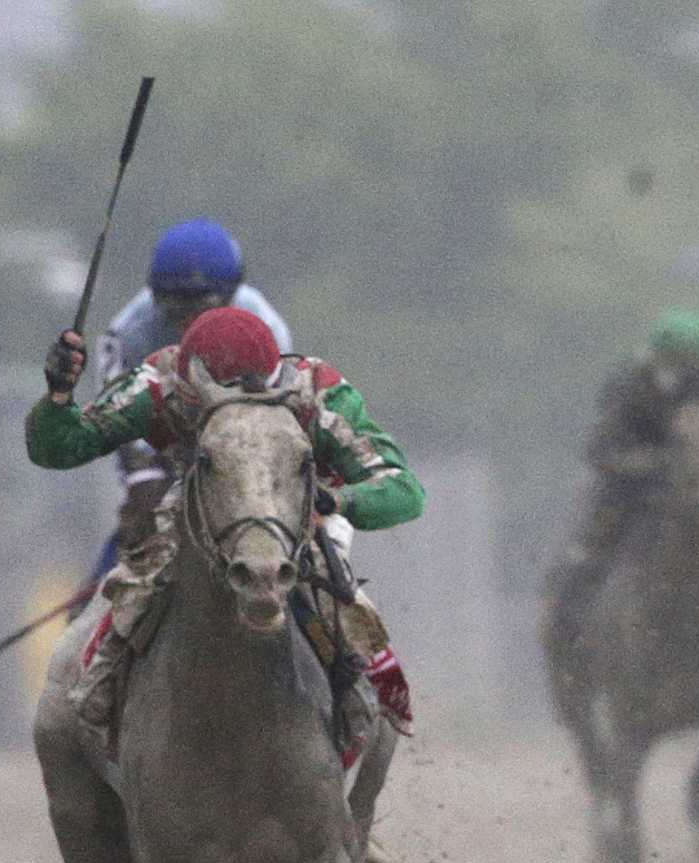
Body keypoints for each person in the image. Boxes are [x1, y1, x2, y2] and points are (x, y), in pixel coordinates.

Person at [31, 307, 418, 752]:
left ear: (275, 385)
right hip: (205, 501)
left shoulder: (318, 395)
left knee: (341, 597)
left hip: (301, 506)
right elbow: (59, 448)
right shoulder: (158, 384)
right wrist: (58, 398)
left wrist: (338, 501)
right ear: (189, 386)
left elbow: (404, 488)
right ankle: (101, 682)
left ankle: (360, 691)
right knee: (138, 580)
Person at [85, 219, 294, 586]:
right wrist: (147, 476)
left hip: (245, 450)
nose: (188, 323)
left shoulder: (265, 328)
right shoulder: (127, 335)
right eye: (173, 307)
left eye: (202, 307)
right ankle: (92, 606)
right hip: (162, 452)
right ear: (154, 296)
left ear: (232, 295)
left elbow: (274, 418)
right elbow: (114, 422)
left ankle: (338, 625)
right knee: (139, 521)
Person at [544, 309, 699, 642]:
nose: (685, 377)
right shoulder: (633, 385)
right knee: (588, 552)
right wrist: (660, 466)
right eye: (678, 367)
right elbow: (603, 450)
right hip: (638, 491)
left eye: (692, 368)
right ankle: (568, 631)